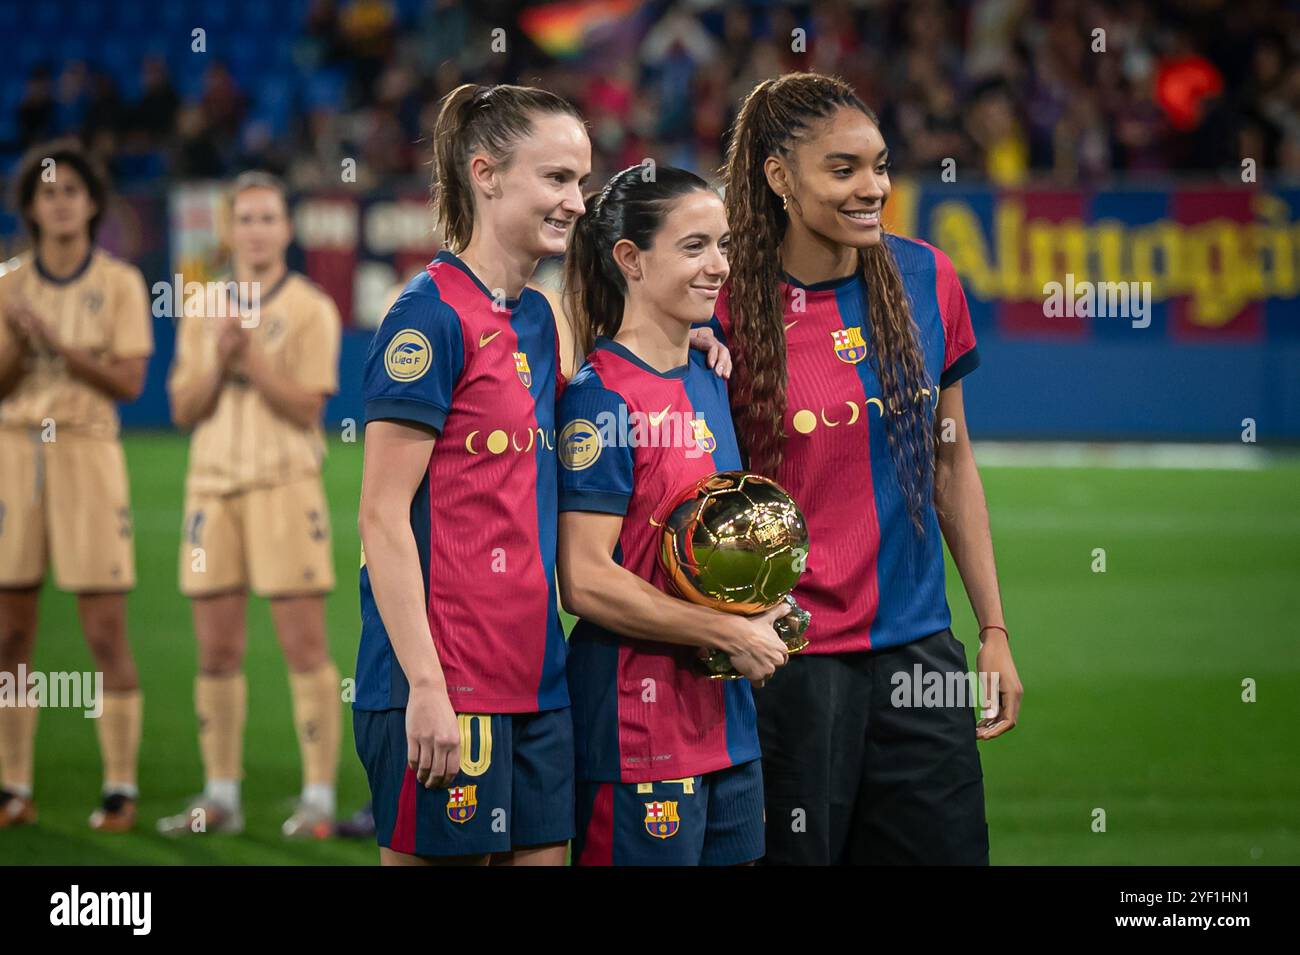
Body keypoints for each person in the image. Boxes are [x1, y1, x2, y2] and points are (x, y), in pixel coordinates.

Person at [712, 72, 1024, 864]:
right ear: (779, 178)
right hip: (787, 663)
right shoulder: (721, 308)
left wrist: (992, 629)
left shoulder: (927, 278)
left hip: (922, 657)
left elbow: (952, 466)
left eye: (880, 165)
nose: (873, 187)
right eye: (843, 169)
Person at [556, 165, 790, 866]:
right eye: (694, 247)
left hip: (728, 723)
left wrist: (759, 605)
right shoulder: (601, 400)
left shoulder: (708, 373)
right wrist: (726, 629)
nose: (718, 266)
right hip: (636, 729)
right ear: (630, 258)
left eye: (721, 245)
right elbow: (587, 580)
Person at [158, 171, 343, 839]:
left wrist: (252, 360)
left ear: (286, 229)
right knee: (216, 650)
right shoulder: (202, 305)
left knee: (303, 646)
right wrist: (219, 360)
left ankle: (319, 796)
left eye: (270, 218)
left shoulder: (312, 307)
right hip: (211, 489)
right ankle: (221, 795)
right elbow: (183, 407)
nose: (258, 230)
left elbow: (308, 404)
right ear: (230, 230)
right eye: (247, 219)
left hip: (284, 486)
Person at [0, 138, 152, 831]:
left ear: (92, 203)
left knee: (104, 629)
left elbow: (128, 382)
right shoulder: (8, 284)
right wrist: (17, 342)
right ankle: (13, 788)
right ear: (30, 206)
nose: (59, 202)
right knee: (9, 630)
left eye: (70, 191)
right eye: (47, 191)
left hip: (87, 450)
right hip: (13, 451)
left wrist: (56, 343)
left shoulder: (118, 282)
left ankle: (119, 785)